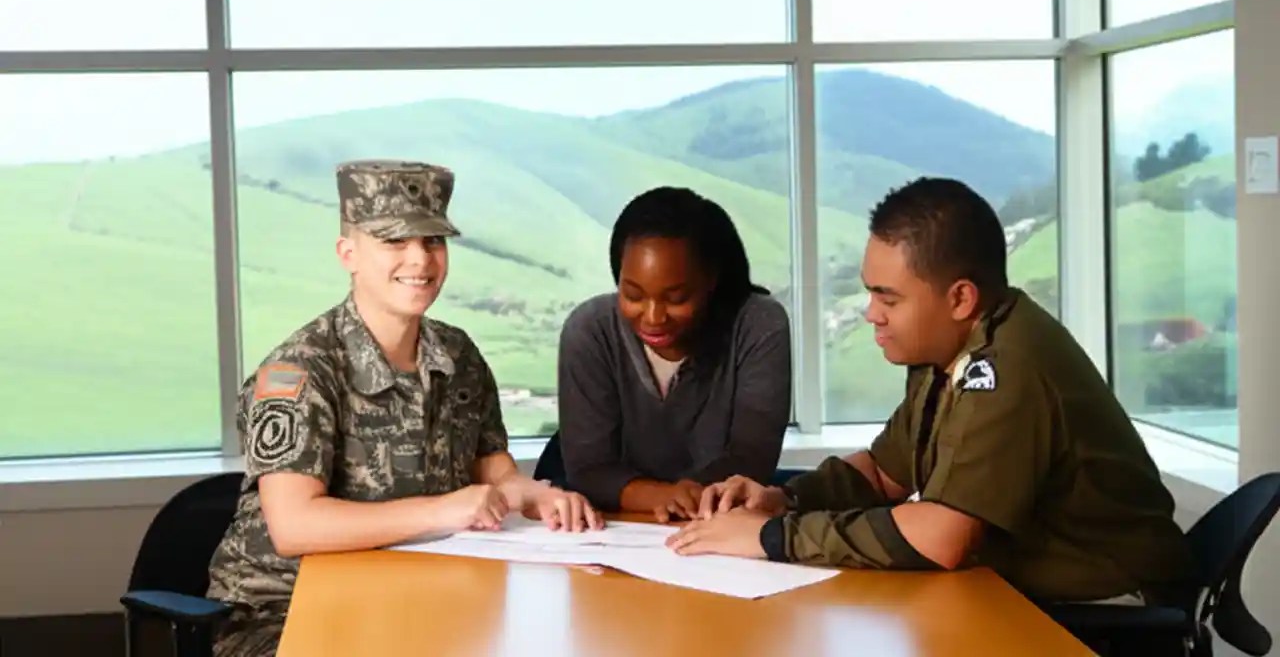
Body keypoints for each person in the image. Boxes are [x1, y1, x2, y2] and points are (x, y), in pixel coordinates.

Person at [666, 176, 1194, 608]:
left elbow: (940, 536)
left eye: (888, 299)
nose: (871, 314)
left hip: (1107, 611)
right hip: (1018, 592)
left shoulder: (1007, 368)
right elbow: (885, 472)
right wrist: (782, 499)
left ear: (960, 297)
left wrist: (770, 538)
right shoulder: (945, 352)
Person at [206, 160, 602, 656]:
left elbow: (496, 475)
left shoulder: (459, 357)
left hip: (419, 595)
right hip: (285, 614)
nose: (420, 259)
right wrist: (443, 510)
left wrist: (540, 495)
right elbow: (294, 526)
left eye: (433, 240)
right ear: (347, 253)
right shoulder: (299, 372)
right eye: (394, 241)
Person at [555, 186, 792, 523]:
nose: (653, 317)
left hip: (718, 520)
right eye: (633, 295)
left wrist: (687, 495)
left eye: (677, 298)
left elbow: (752, 457)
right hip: (614, 525)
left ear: (711, 280)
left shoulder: (758, 325)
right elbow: (589, 471)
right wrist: (664, 496)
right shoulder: (590, 330)